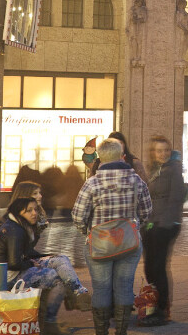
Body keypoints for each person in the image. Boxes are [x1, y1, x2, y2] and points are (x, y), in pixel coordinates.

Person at [73, 138, 153, 335]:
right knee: (125, 286)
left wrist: (88, 232)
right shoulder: (137, 181)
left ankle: (101, 331)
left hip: (98, 244)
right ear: (122, 156)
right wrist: (133, 226)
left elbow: (77, 216)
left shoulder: (92, 183)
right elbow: (147, 212)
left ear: (100, 158)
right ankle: (122, 331)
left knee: (101, 288)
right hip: (129, 243)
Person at [0, 197, 92, 335]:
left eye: (35, 209)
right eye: (29, 211)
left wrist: (46, 256)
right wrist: (31, 263)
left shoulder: (19, 226)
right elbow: (14, 263)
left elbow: (27, 253)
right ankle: (50, 321)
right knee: (58, 279)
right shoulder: (14, 230)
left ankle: (80, 293)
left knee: (61, 259)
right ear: (19, 213)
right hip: (8, 277)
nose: (34, 213)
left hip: (15, 270)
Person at [139, 136, 186, 327]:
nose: (163, 154)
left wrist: (163, 224)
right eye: (159, 151)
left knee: (158, 267)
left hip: (165, 226)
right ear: (153, 153)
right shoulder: (153, 170)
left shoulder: (173, 171)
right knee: (150, 267)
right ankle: (155, 304)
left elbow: (176, 199)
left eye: (166, 150)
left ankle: (162, 308)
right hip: (150, 225)